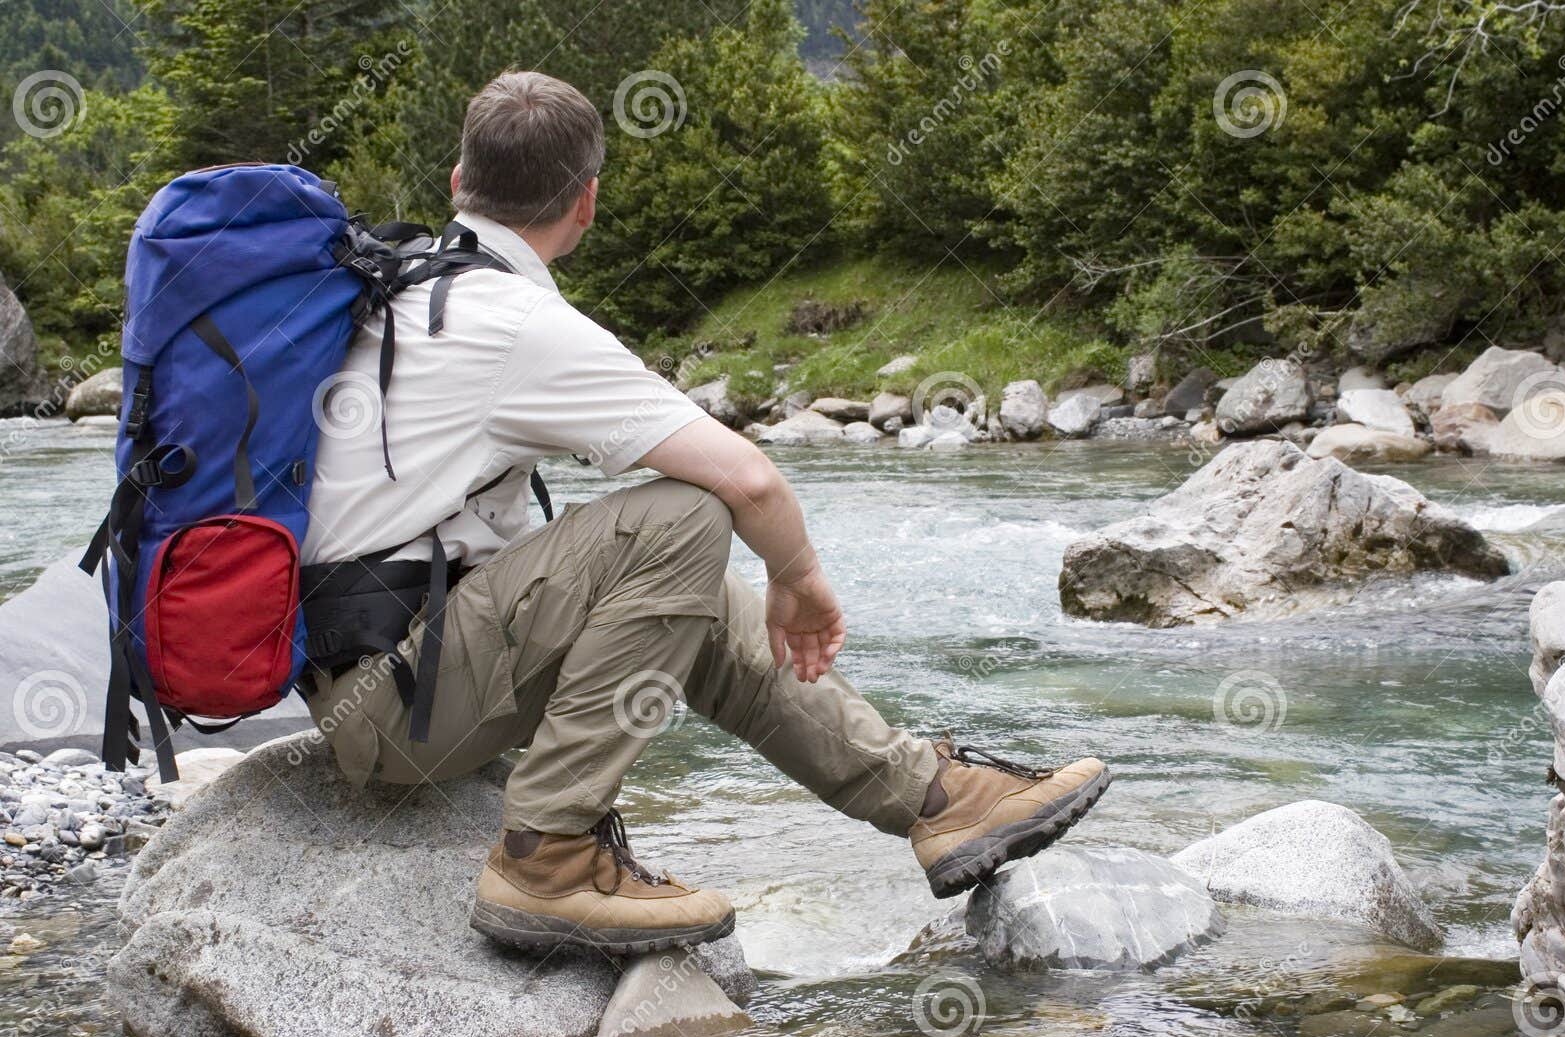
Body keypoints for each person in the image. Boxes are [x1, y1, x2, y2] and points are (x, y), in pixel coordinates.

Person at [301, 70, 1110, 956]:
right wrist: (800, 578)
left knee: (698, 585)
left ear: (458, 180)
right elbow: (749, 482)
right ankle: (548, 853)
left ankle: (933, 800)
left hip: (378, 681)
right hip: (395, 709)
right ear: (588, 202)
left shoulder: (402, 283)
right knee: (684, 518)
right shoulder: (514, 320)